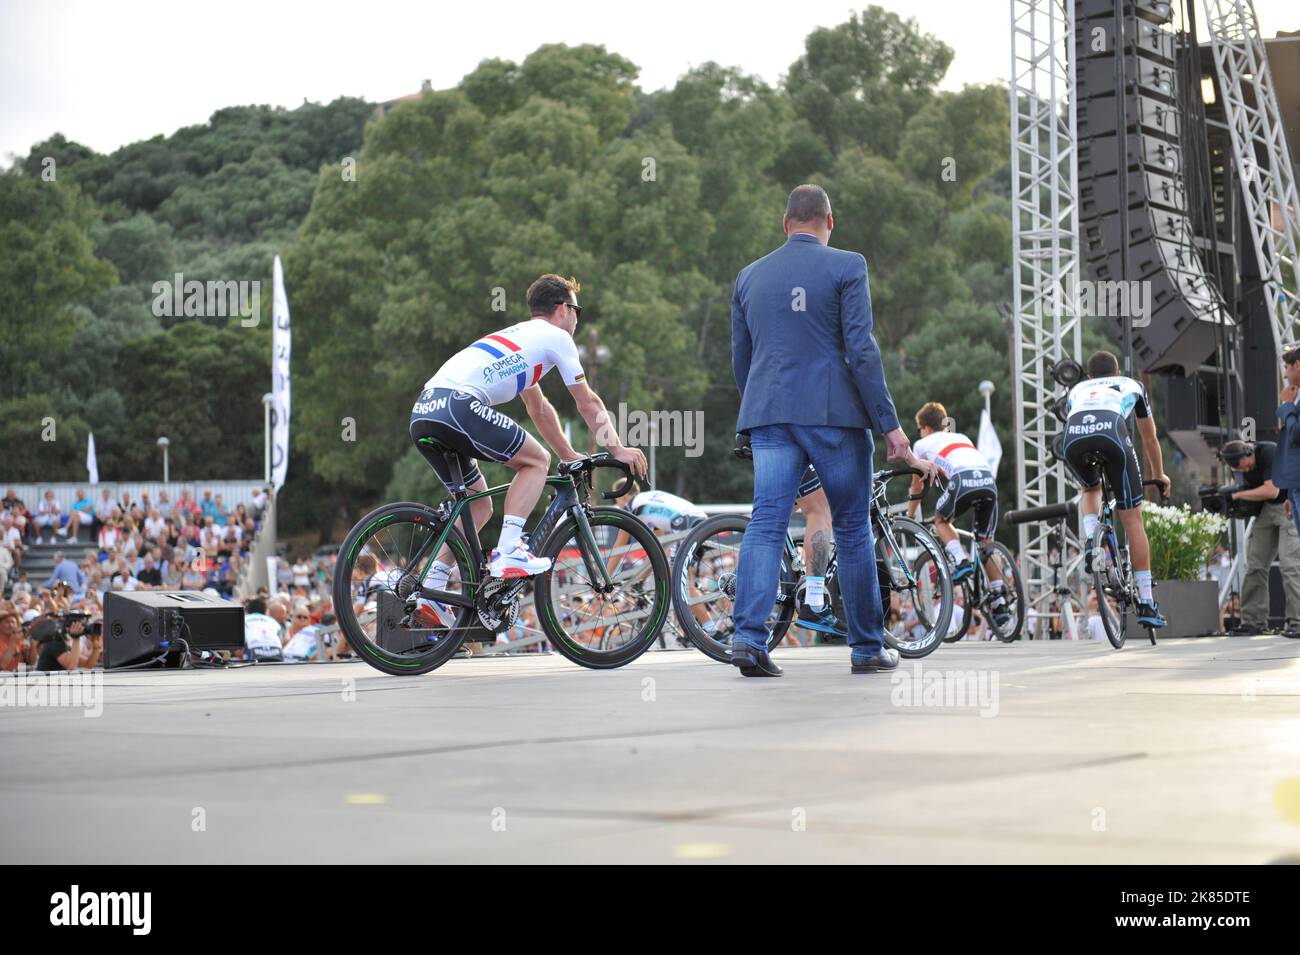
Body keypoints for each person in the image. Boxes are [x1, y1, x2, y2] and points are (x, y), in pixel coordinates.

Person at [730, 184, 925, 678]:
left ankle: (748, 639)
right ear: (829, 221)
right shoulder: (847, 266)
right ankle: (865, 648)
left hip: (770, 412)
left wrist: (756, 411)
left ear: (785, 223)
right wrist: (890, 426)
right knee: (854, 527)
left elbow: (742, 361)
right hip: (833, 414)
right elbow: (861, 349)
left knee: (767, 521)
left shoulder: (748, 277)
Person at [407, 273, 646, 627]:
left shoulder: (520, 339)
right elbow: (586, 401)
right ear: (564, 309)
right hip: (457, 406)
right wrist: (618, 447)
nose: (578, 319)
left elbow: (539, 410)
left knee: (479, 506)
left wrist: (569, 453)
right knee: (536, 461)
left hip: (425, 411)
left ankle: (435, 585)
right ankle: (508, 551)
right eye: (577, 310)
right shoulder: (556, 337)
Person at [1060, 350, 1171, 628]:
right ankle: (1146, 601)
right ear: (1118, 373)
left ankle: (1092, 544)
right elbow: (1150, 438)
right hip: (1112, 433)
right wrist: (1159, 474)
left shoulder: (1076, 389)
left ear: (1088, 376)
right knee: (1132, 518)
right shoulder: (1133, 385)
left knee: (1090, 488)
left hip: (1073, 439)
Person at [906, 401, 1011, 629]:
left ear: (924, 427)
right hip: (987, 481)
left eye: (919, 429)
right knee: (986, 543)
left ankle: (961, 560)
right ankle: (999, 601)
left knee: (941, 520)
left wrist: (910, 514)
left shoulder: (922, 444)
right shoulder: (962, 436)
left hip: (963, 480)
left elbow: (917, 485)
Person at [1220, 437, 1300, 636]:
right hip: (1266, 510)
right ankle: (1253, 620)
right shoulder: (1238, 465)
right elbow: (1239, 485)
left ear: (1249, 452)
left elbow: (1272, 491)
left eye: (1246, 466)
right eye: (1239, 470)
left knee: (1290, 565)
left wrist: (1237, 496)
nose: (1246, 470)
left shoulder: (1270, 452)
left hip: (1288, 505)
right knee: (1255, 564)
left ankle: (1297, 620)